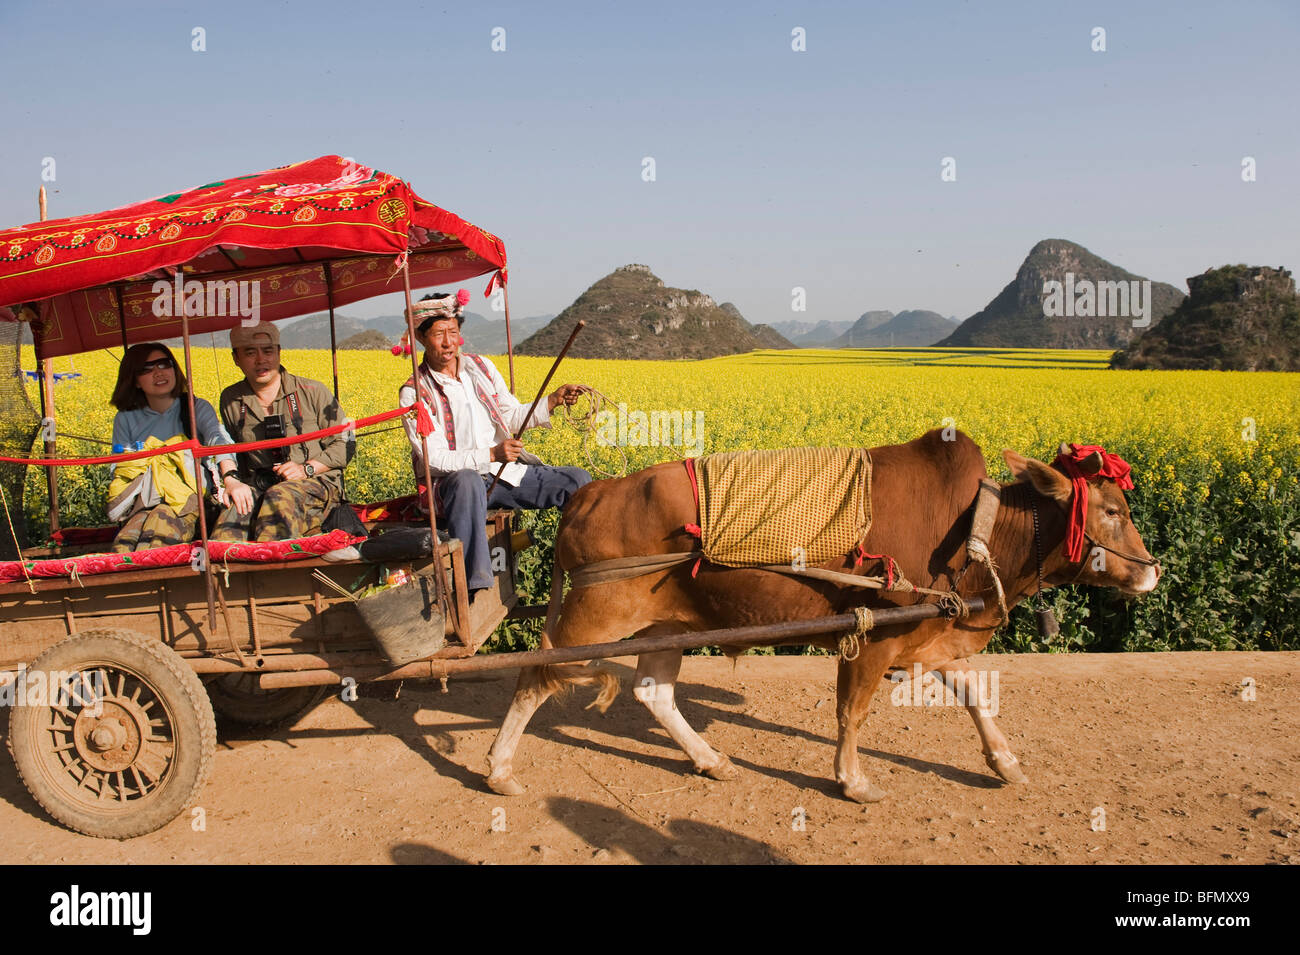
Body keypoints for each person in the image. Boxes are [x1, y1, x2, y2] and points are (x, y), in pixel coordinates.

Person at [399, 291, 592, 605]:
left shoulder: (481, 368)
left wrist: (553, 400)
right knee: (467, 480)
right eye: (438, 334)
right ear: (421, 338)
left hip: (503, 475)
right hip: (452, 488)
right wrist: (490, 454)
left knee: (577, 481)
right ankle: (473, 584)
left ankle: (588, 570)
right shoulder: (414, 393)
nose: (448, 342)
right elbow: (433, 458)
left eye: (453, 332)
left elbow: (511, 415)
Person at [211, 321, 356, 545]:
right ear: (236, 359)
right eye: (250, 353)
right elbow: (231, 450)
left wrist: (306, 468)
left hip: (316, 484)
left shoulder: (312, 392)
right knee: (228, 522)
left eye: (268, 351)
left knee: (278, 499)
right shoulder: (231, 399)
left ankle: (275, 576)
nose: (261, 360)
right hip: (260, 487)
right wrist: (233, 483)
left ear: (278, 352)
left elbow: (345, 444)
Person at [108, 342, 249, 552]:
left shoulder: (194, 407)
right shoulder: (126, 418)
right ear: (135, 380)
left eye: (164, 364)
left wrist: (231, 478)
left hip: (192, 499)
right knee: (123, 546)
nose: (158, 373)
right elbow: (118, 469)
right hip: (145, 502)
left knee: (159, 526)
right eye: (146, 369)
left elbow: (217, 439)